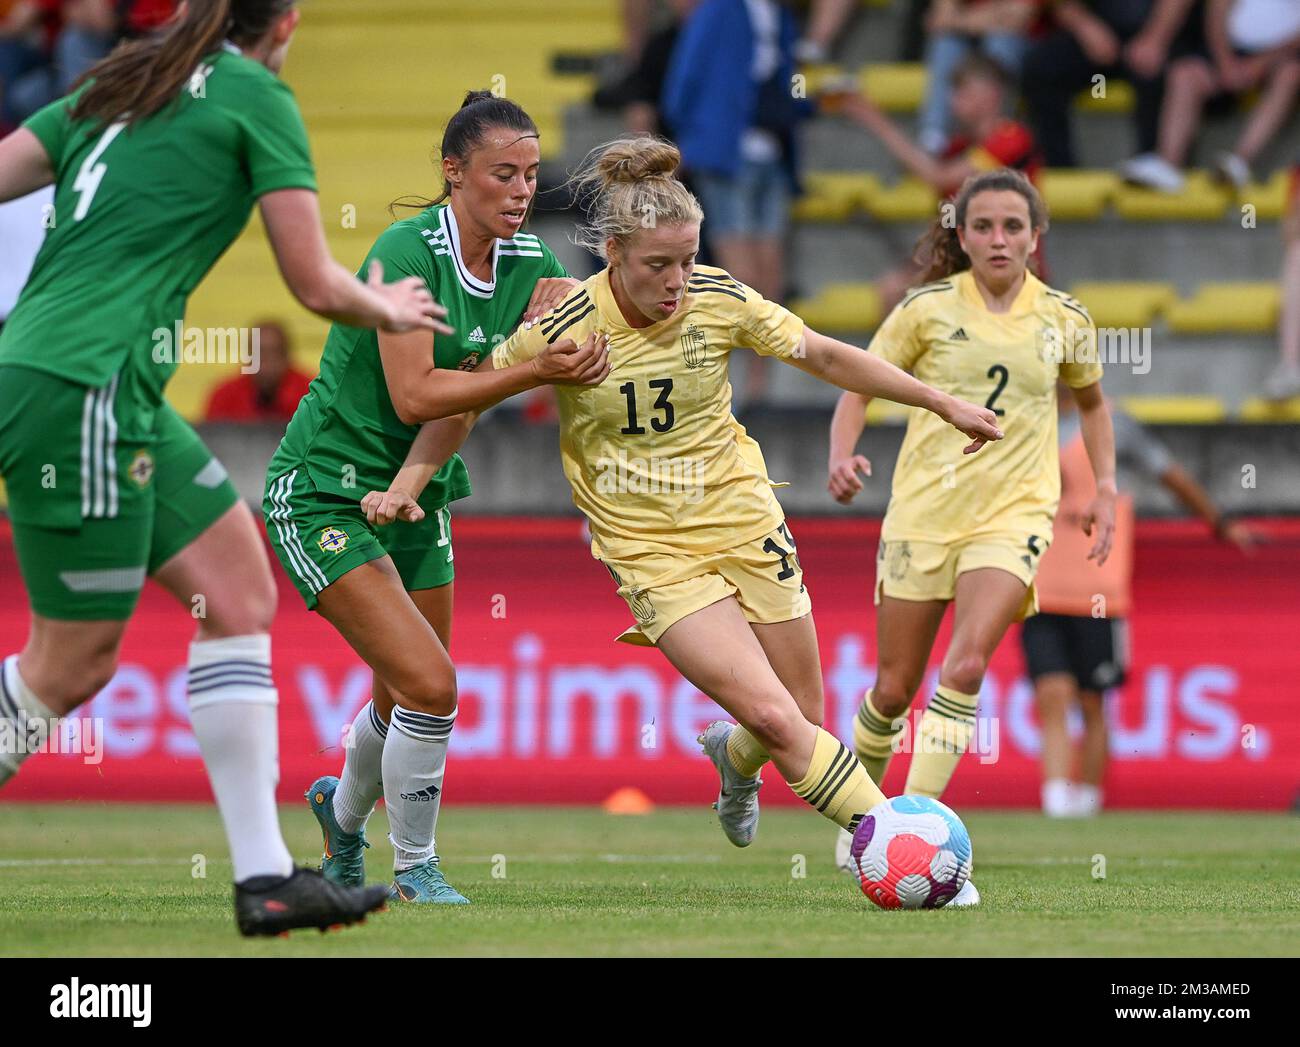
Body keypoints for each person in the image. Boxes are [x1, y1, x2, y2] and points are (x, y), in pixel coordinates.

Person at [368, 137, 1002, 895]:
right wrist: (412, 477)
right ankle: (903, 844)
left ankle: (733, 763)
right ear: (612, 253)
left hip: (743, 517)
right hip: (650, 550)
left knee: (797, 712)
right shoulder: (567, 321)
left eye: (686, 260)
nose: (676, 283)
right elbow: (469, 399)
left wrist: (940, 399)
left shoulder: (720, 297)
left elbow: (824, 356)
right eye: (656, 266)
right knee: (775, 712)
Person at [0, 0, 444, 936]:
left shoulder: (120, 80)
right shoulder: (254, 94)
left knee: (239, 595)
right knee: (71, 661)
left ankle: (266, 879)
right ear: (284, 25)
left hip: (97, 379)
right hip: (82, 382)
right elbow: (312, 281)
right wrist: (389, 305)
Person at [264, 91, 585, 905]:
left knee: (401, 688)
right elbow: (417, 395)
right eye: (502, 174)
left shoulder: (532, 265)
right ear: (454, 173)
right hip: (327, 490)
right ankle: (415, 869)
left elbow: (474, 393)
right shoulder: (404, 254)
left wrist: (577, 327)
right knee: (434, 685)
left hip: (420, 493)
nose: (520, 191)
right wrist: (534, 367)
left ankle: (341, 823)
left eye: (531, 175)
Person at [826, 168, 1118, 901]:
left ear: (1035, 237)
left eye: (1013, 226)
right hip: (924, 514)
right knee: (892, 690)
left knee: (963, 668)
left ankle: (906, 830)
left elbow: (1093, 403)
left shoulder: (1064, 319)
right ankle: (858, 812)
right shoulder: (924, 310)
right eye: (983, 226)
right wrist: (843, 453)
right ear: (961, 235)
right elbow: (857, 384)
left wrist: (1105, 486)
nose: (998, 238)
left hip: (1015, 513)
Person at [1028, 388, 1256, 817]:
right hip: (1039, 586)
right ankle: (1056, 804)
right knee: (1051, 694)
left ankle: (1088, 803)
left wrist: (1219, 522)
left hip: (1099, 590)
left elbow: (1170, 474)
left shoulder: (1115, 424)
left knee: (1092, 701)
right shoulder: (1022, 420)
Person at [830, 53, 1043, 311]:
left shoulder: (1012, 139)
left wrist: (875, 120)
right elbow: (946, 220)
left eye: (962, 92)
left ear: (991, 95)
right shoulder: (958, 148)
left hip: (1011, 267)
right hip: (967, 265)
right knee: (893, 291)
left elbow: (938, 176)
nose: (953, 101)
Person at [1120, 0, 1300, 192]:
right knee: (1185, 73)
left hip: (1285, 56)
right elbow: (1217, 10)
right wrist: (1225, 62)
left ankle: (1240, 162)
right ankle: (1168, 164)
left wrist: (1261, 63)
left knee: (1291, 74)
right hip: (1231, 53)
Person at [203, 320, 313, 423]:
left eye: (274, 354)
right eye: (258, 354)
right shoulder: (225, 397)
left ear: (287, 357)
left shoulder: (310, 395)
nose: (266, 364)